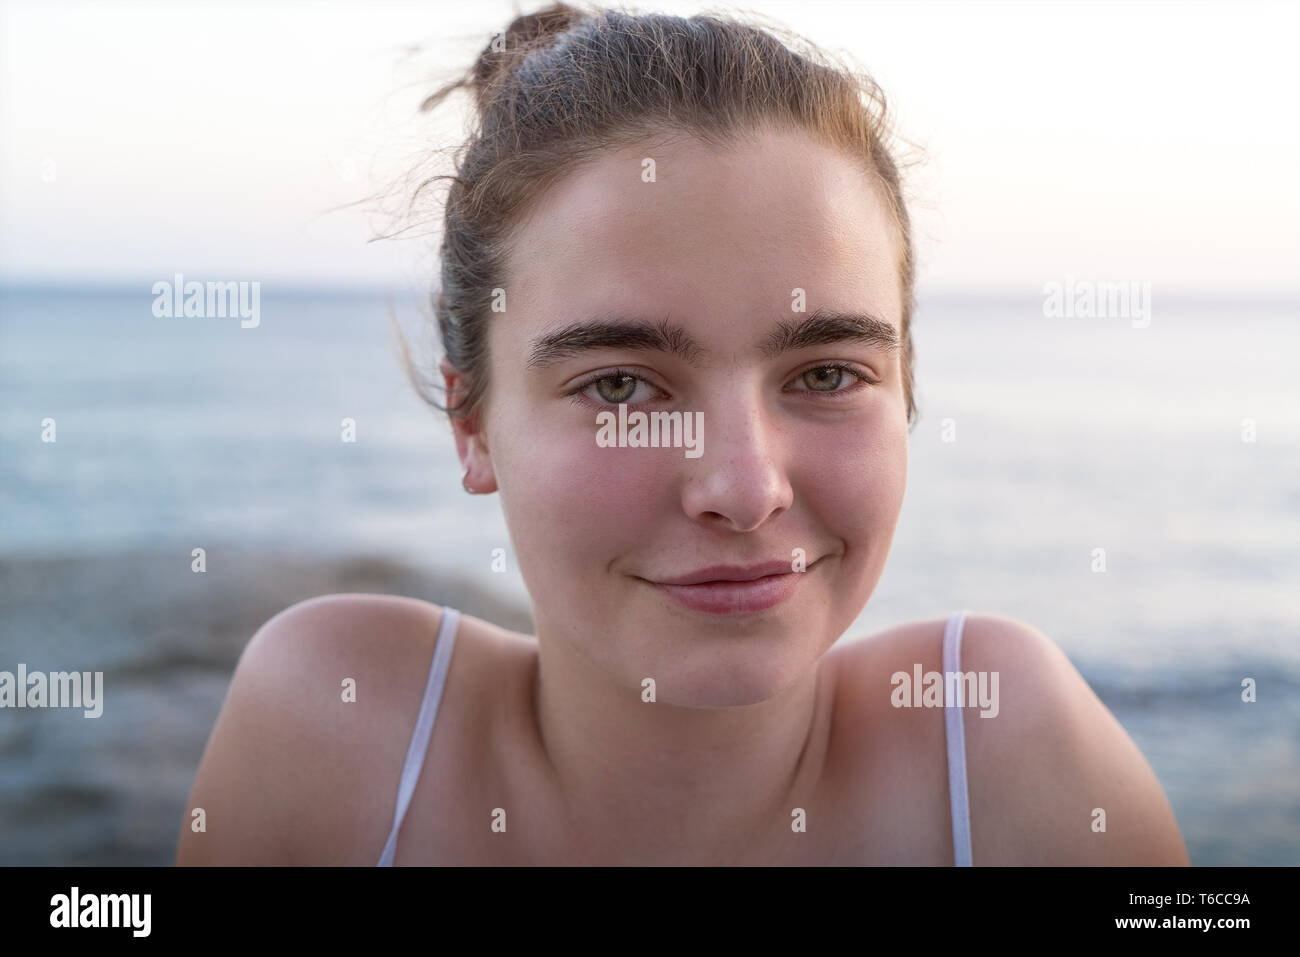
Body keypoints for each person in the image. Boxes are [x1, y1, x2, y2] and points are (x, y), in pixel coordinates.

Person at [176, 2, 1189, 866]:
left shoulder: (1002, 758)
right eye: (620, 385)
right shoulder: (338, 730)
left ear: (906, 388)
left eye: (827, 373)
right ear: (472, 421)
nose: (745, 489)